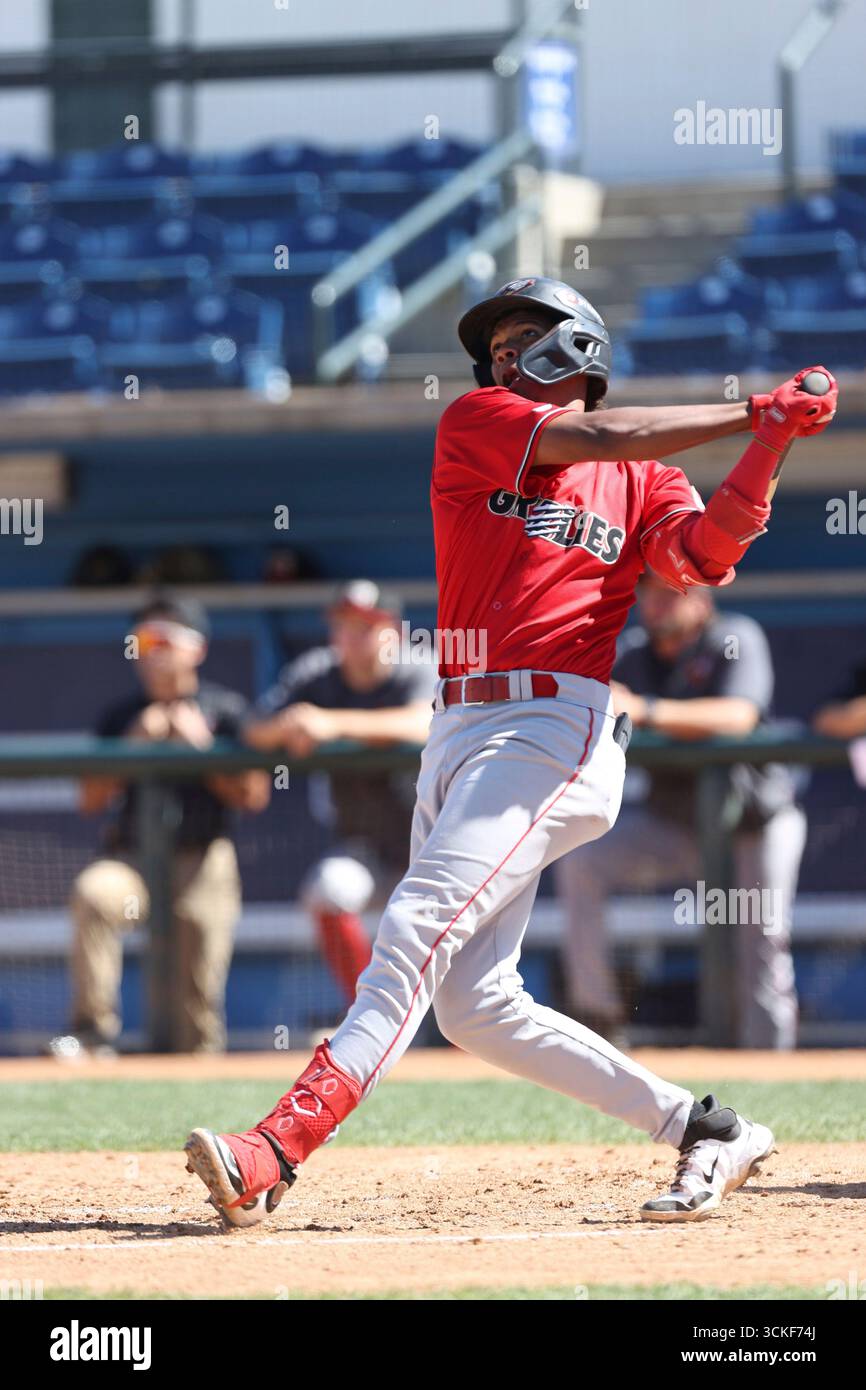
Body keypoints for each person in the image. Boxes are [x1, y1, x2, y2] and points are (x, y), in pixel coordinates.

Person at [184, 276, 836, 1227]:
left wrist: (770, 444)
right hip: (457, 724)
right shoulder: (481, 420)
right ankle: (707, 1128)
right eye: (493, 343)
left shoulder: (648, 478)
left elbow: (703, 556)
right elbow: (603, 438)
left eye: (523, 335)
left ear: (579, 346)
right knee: (475, 1007)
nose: (501, 354)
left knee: (415, 921)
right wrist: (750, 408)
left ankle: (278, 1145)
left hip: (552, 723)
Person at [555, 571, 805, 1049]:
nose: (658, 603)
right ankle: (600, 1022)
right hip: (679, 827)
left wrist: (647, 709)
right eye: (649, 592)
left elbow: (738, 716)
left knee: (762, 937)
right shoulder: (632, 653)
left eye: (672, 593)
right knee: (583, 861)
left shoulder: (734, 638)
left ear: (703, 601)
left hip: (757, 824)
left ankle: (770, 1060)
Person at [53, 594, 270, 1058]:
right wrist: (134, 745)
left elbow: (254, 796)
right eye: (142, 641)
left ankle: (198, 1069)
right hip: (133, 860)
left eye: (164, 640)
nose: (152, 652)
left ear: (197, 649)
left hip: (202, 859)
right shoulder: (120, 715)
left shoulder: (225, 709)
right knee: (94, 895)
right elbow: (88, 799)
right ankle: (92, 1035)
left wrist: (205, 751)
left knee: (195, 1002)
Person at [244, 580, 436, 1006]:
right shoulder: (319, 672)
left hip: (434, 849)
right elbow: (255, 729)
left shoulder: (418, 666)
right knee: (329, 890)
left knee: (455, 953)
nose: (350, 637)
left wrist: (332, 725)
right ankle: (368, 1014)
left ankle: (457, 1044)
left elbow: (425, 723)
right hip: (365, 846)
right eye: (343, 625)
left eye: (365, 626)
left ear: (394, 633)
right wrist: (291, 725)